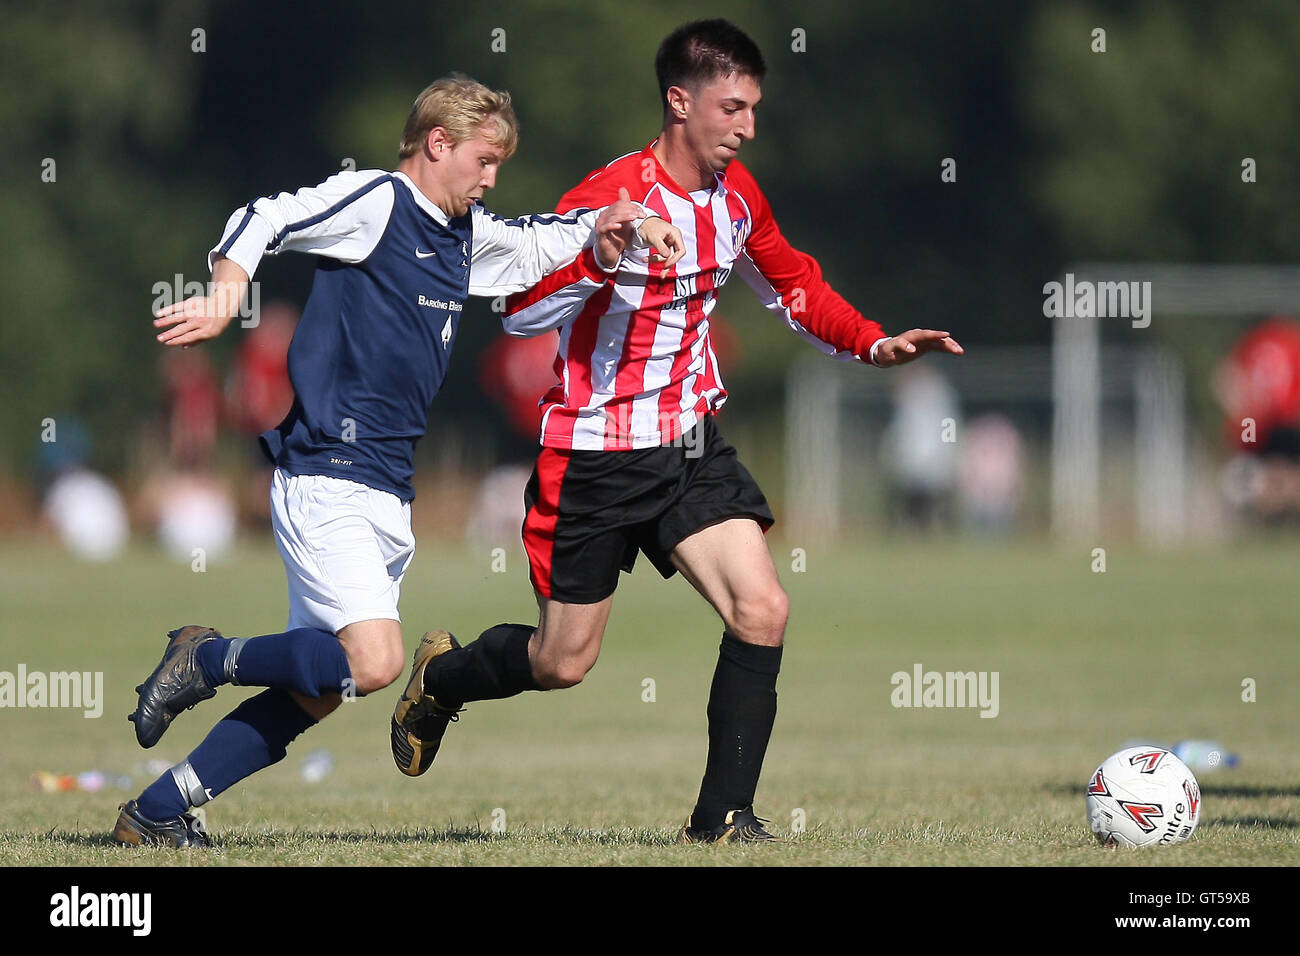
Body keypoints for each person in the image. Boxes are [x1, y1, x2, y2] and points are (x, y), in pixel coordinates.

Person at [390, 22, 962, 843]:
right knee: (563, 664)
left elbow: (793, 286)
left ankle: (722, 819)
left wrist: (872, 341)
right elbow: (520, 314)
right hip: (593, 455)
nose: (748, 126)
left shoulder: (737, 200)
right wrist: (602, 256)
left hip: (690, 442)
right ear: (679, 101)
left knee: (762, 607)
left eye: (755, 108)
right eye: (734, 107)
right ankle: (442, 679)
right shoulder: (608, 196)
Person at [112, 74, 684, 848]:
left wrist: (607, 228)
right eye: (483, 161)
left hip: (386, 490)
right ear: (437, 143)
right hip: (325, 472)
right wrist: (224, 291)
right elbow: (267, 215)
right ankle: (204, 659)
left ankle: (157, 810)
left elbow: (533, 242)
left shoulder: (462, 234)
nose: (491, 179)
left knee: (320, 685)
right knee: (375, 660)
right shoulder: (376, 202)